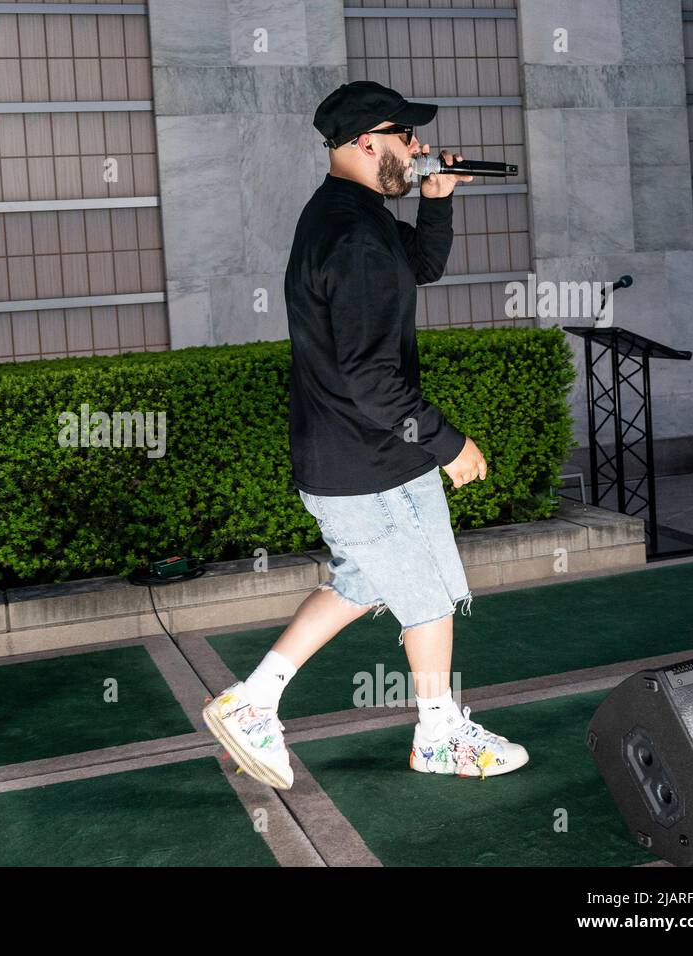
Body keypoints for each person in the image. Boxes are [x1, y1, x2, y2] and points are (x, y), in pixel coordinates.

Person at [202, 81, 529, 788]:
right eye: (404, 136)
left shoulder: (354, 215)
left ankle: (254, 700)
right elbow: (369, 377)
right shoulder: (352, 235)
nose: (416, 147)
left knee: (360, 582)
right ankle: (438, 735)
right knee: (429, 596)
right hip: (367, 463)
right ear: (363, 143)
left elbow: (422, 267)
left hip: (365, 456)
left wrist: (434, 203)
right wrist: (449, 444)